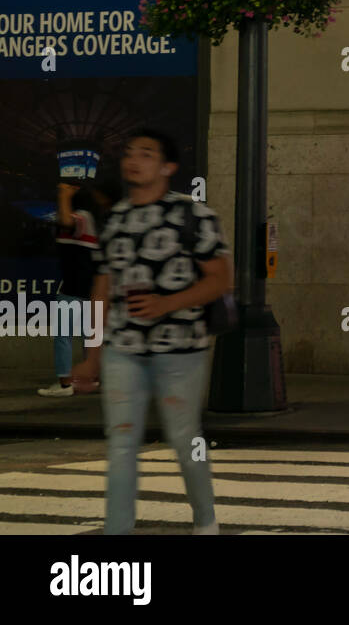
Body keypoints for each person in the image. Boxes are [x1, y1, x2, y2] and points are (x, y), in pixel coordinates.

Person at [69, 129, 233, 535]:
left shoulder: (193, 216)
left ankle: (205, 520)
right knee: (121, 444)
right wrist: (92, 356)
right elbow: (101, 290)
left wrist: (166, 304)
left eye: (146, 153)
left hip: (180, 350)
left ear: (168, 167)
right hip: (124, 349)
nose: (134, 160)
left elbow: (220, 280)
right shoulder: (116, 220)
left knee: (183, 439)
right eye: (129, 153)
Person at [38, 179, 119, 397]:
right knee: (89, 336)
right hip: (88, 289)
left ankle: (65, 385)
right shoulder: (94, 219)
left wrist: (64, 194)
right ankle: (90, 381)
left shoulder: (83, 217)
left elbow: (65, 221)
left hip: (73, 289)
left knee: (63, 336)